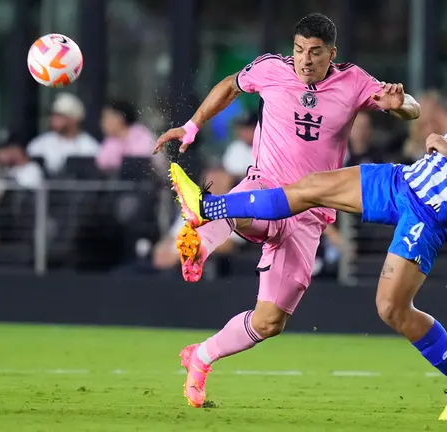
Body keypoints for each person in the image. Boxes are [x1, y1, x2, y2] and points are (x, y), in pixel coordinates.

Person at [170, 24, 447, 421]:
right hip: (404, 180)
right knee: (308, 187)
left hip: (429, 210)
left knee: (389, 308)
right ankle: (208, 212)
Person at [154, 13, 420, 410]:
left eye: (315, 53)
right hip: (265, 185)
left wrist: (403, 105)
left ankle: (201, 356)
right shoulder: (270, 69)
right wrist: (192, 127)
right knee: (248, 206)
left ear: (332, 53)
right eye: (299, 50)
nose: (305, 60)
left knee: (270, 322)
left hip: (310, 213)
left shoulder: (354, 81)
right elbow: (230, 86)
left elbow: (407, 107)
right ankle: (200, 236)